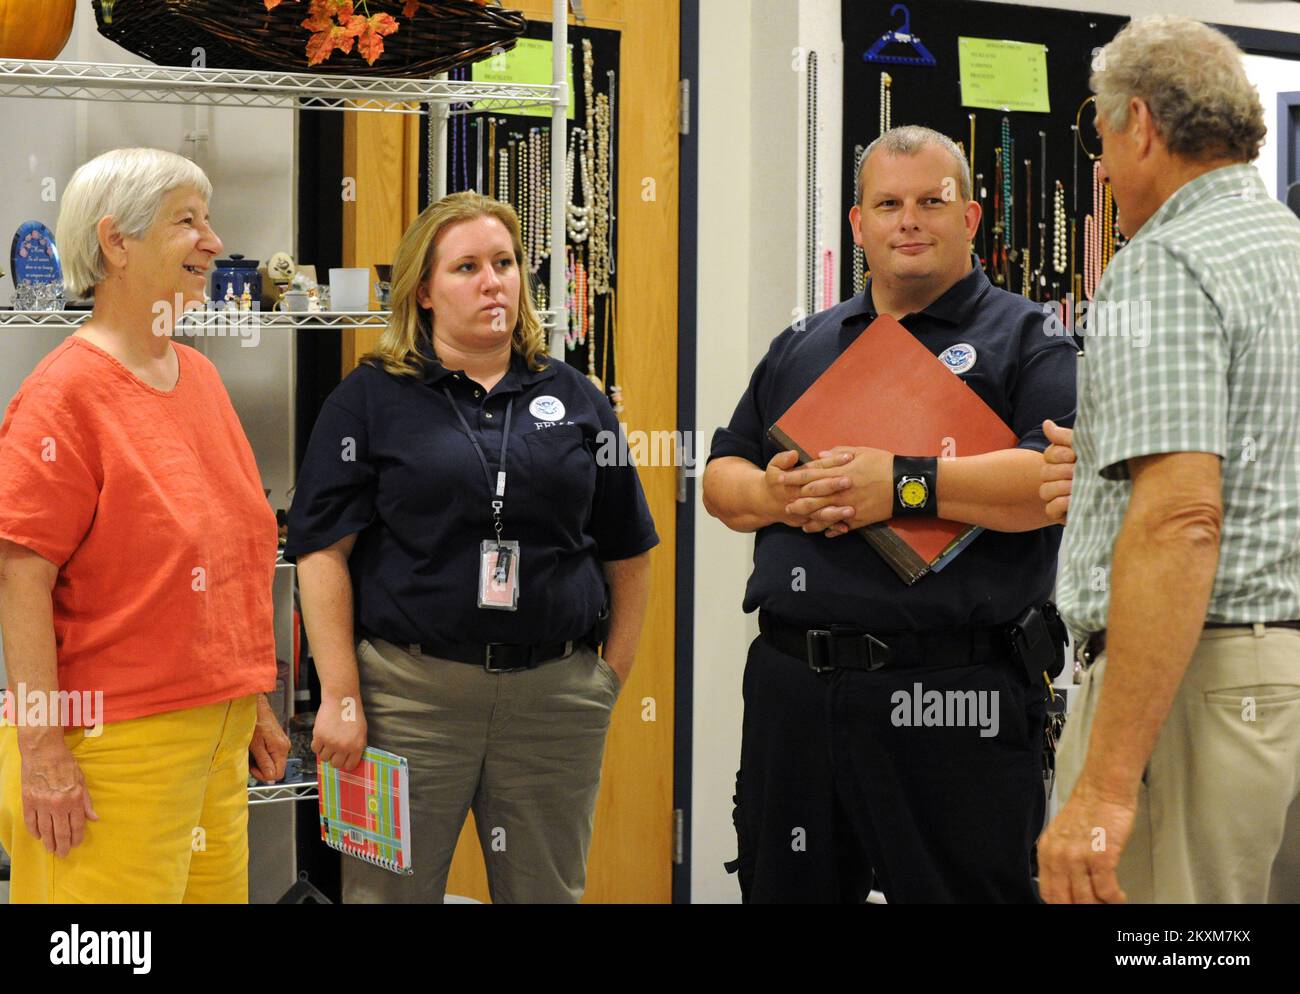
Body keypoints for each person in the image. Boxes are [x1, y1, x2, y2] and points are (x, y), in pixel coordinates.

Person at [703, 125, 1077, 903]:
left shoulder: (1030, 338)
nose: (908, 220)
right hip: (794, 693)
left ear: (969, 219)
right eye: (888, 204)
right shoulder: (804, 343)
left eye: (931, 202)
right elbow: (720, 477)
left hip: (952, 690)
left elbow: (1048, 481)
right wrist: (776, 496)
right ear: (858, 224)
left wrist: (904, 486)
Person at [286, 191, 656, 904]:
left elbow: (629, 548)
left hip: (554, 700)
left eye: (506, 262)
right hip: (407, 700)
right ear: (422, 290)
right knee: (384, 897)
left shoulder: (576, 397)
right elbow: (321, 553)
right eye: (467, 268)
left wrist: (608, 679)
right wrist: (340, 695)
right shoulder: (368, 399)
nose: (494, 281)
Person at [1037, 16, 1300, 905]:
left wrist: (1106, 787)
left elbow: (1185, 518)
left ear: (1141, 124)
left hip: (1200, 690)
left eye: (1103, 139)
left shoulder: (1167, 263)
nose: (1102, 170)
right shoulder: (1289, 252)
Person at [0, 148, 289, 904]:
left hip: (215, 738)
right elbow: (18, 577)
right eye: (186, 222)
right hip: (112, 746)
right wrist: (40, 749)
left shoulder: (200, 377)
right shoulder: (62, 396)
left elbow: (225, 554)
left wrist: (247, 693)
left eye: (209, 219)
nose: (214, 242)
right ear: (116, 244)